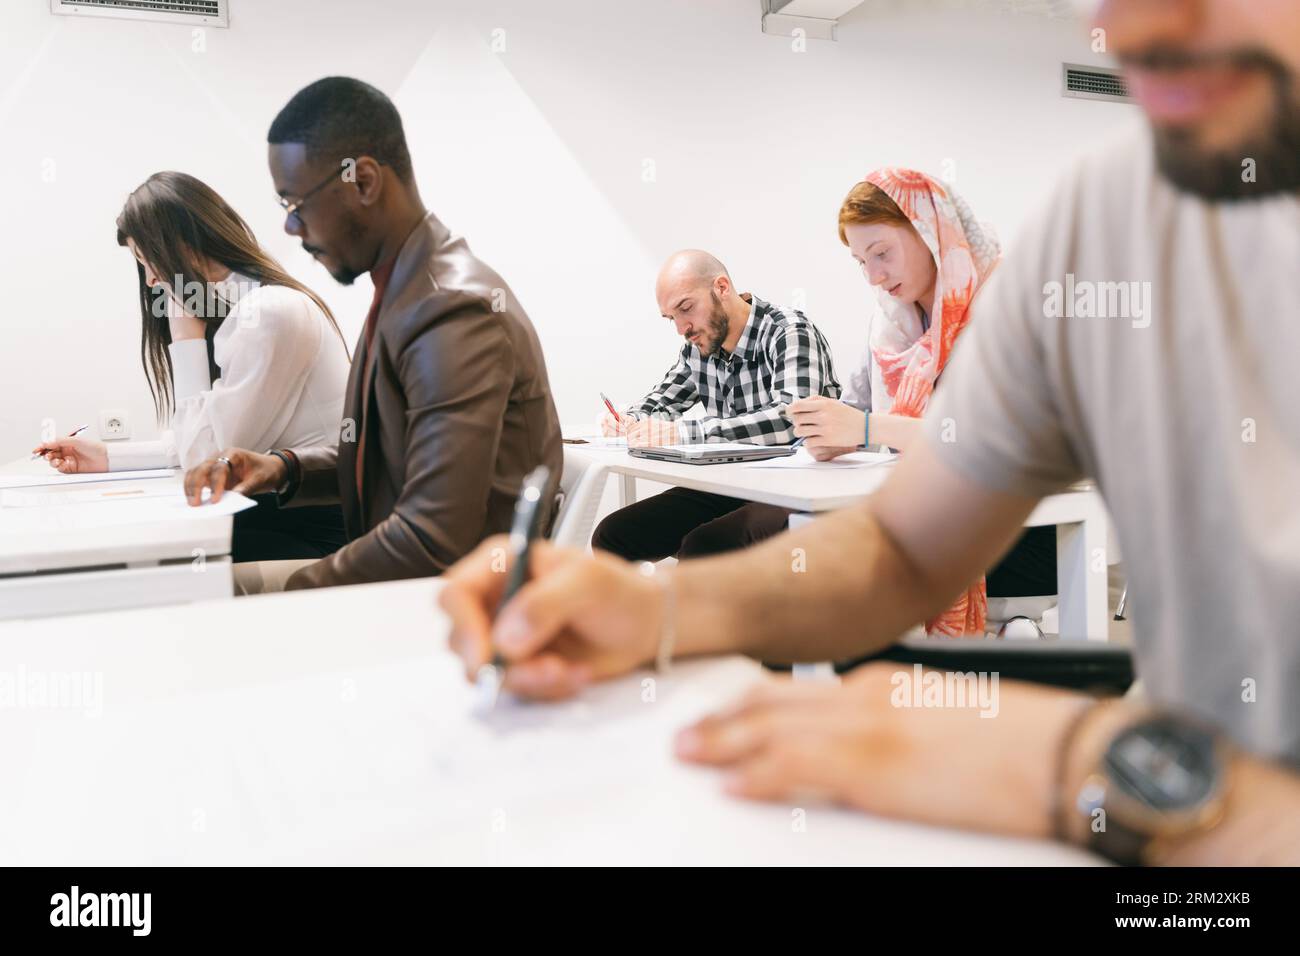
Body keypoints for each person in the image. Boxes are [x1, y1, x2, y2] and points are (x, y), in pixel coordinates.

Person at [438, 0, 1300, 866]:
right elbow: (903, 547)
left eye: (882, 254)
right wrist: (655, 611)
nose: (1117, 19)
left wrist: (1066, 761)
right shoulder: (1105, 215)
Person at [182, 77, 563, 590]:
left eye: (296, 205)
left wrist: (301, 590)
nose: (292, 229)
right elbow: (387, 458)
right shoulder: (408, 291)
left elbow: (433, 538)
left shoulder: (450, 310)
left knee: (215, 592)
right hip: (421, 587)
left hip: (459, 604)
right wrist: (281, 468)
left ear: (362, 181)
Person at [33, 171, 350, 563]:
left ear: (184, 245)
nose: (151, 280)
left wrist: (186, 340)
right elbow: (201, 440)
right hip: (288, 513)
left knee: (145, 556)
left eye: (148, 260)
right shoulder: (252, 308)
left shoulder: (269, 313)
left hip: (316, 530)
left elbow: (202, 461)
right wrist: (106, 457)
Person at [789, 170, 1057, 632]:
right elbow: (855, 406)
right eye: (860, 261)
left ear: (932, 233)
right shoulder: (891, 321)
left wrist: (867, 429)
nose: (873, 276)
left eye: (882, 253)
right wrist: (830, 432)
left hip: (1020, 531)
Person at [591, 249, 840, 561]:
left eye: (686, 308)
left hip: (797, 488)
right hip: (731, 485)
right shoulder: (699, 347)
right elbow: (663, 400)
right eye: (672, 318)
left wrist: (684, 433)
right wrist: (630, 419)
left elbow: (792, 420)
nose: (682, 328)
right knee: (613, 536)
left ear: (722, 287)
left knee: (703, 547)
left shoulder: (789, 331)